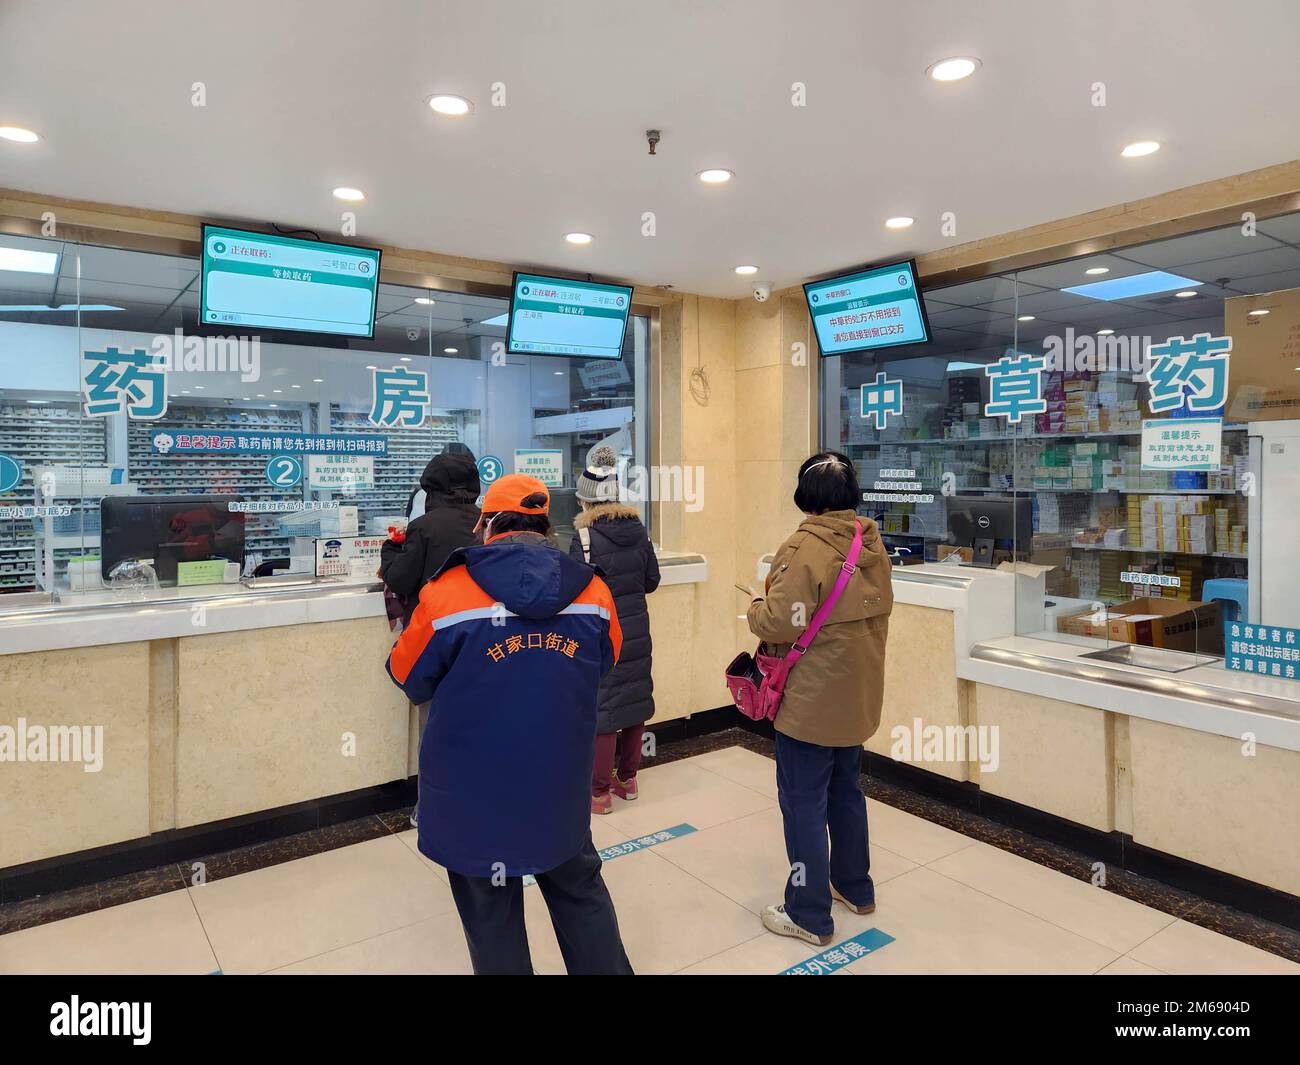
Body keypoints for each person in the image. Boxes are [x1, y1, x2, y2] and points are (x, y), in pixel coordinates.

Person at [386, 473, 633, 975]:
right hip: (558, 784)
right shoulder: (593, 591)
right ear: (545, 526)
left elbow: (408, 676)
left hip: (473, 794)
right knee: (579, 892)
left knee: (490, 913)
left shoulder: (447, 593)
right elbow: (604, 663)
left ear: (488, 524)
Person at [746, 451, 893, 947]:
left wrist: (756, 607)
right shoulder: (870, 542)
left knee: (802, 804)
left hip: (810, 703)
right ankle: (854, 886)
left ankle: (808, 912)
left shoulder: (804, 546)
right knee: (846, 791)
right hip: (858, 695)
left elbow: (777, 622)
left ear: (805, 495)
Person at [568, 445, 661, 814]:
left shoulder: (584, 538)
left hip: (602, 633)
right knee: (634, 704)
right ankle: (628, 779)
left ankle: (599, 793)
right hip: (637, 629)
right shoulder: (639, 531)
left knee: (604, 711)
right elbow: (651, 580)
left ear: (586, 500)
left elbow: (574, 591)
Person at [380, 449, 481, 629]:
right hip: (478, 623)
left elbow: (399, 581)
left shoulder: (424, 527)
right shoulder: (488, 522)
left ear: (432, 489)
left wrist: (391, 547)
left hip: (433, 626)